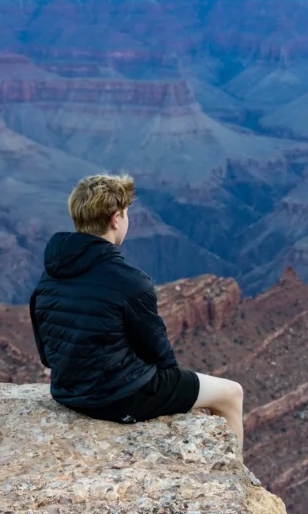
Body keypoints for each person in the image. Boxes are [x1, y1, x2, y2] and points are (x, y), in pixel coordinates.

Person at [29, 173, 245, 452]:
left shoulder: (48, 277)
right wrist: (175, 392)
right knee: (231, 393)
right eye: (127, 214)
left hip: (66, 394)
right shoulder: (128, 280)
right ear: (116, 218)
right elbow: (158, 353)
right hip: (119, 399)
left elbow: (48, 356)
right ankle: (235, 480)